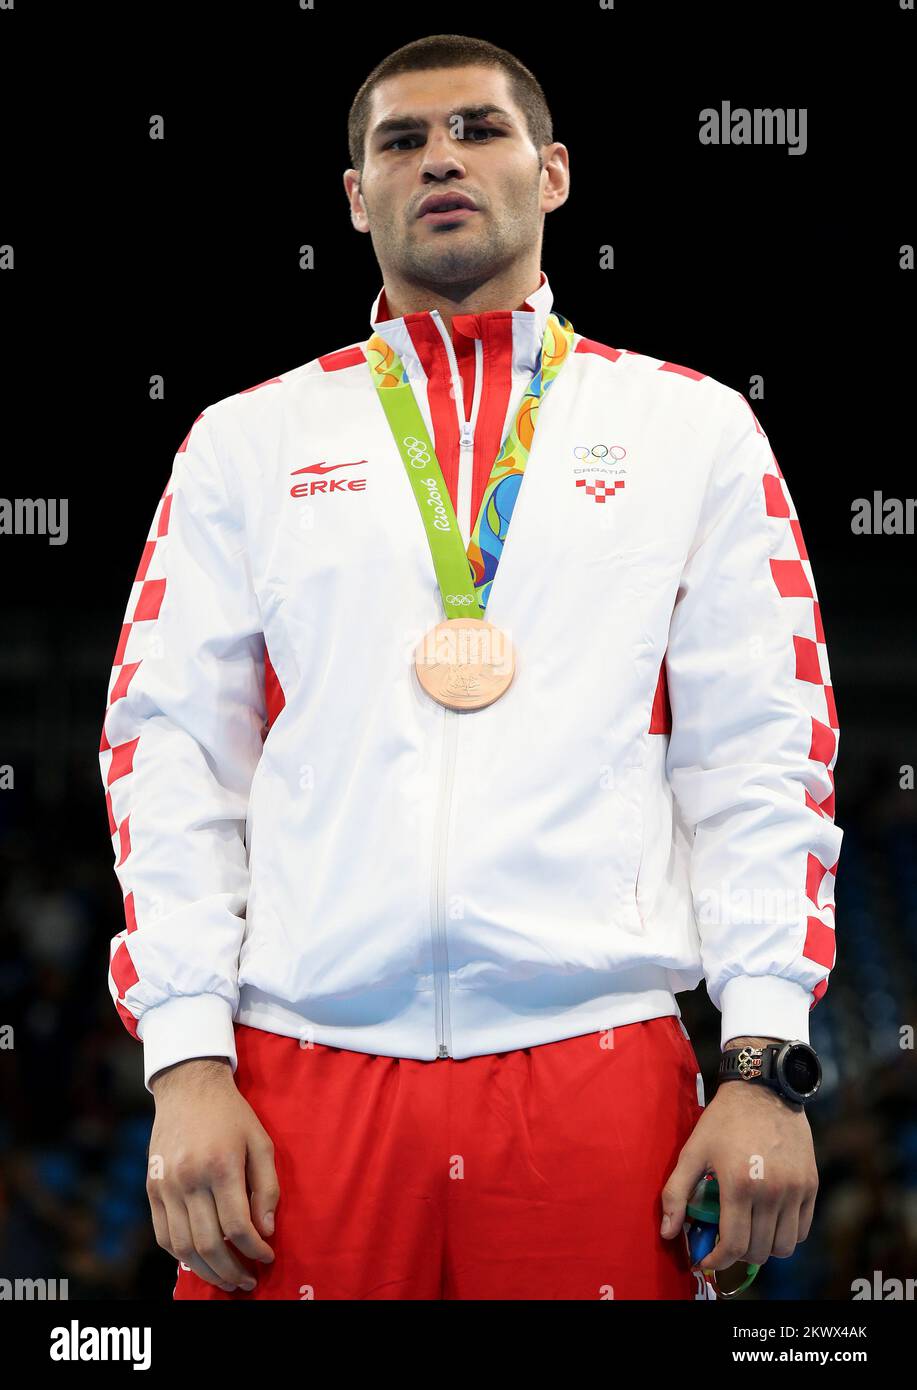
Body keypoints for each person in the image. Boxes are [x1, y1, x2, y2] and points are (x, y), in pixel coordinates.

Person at [98, 34, 842, 1301]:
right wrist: (186, 1059)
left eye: (478, 131)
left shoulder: (690, 426)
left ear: (551, 174)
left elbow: (761, 753)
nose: (440, 157)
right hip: (297, 1072)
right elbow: (168, 751)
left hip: (595, 1059)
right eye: (400, 141)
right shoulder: (244, 439)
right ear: (355, 196)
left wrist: (759, 1063)